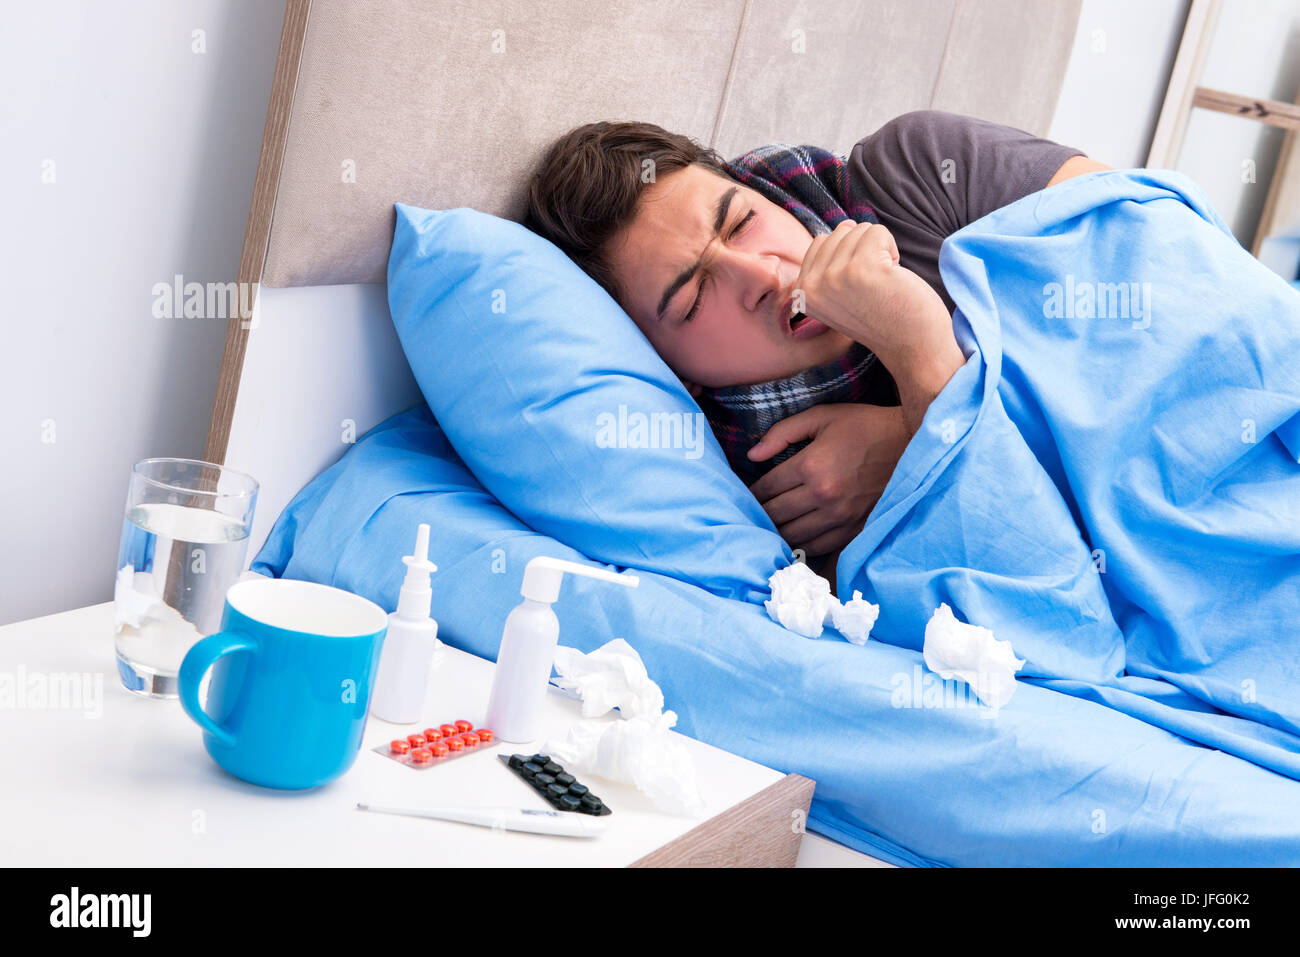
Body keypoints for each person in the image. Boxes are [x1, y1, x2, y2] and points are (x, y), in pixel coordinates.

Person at [523, 111, 1110, 564]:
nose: (761, 275)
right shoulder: (774, 500)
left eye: (741, 222)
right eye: (695, 298)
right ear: (673, 374)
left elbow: (1162, 257)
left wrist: (914, 420)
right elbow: (1033, 580)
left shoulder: (926, 170)